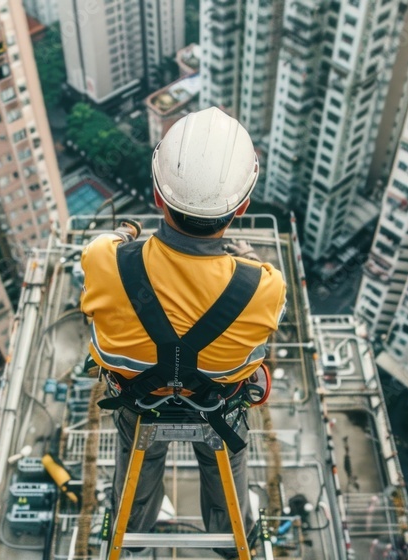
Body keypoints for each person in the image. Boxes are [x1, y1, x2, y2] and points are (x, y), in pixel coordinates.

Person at [79, 107, 287, 558]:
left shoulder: (104, 261)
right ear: (242, 207)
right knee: (225, 467)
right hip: (218, 407)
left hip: (140, 404)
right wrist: (245, 257)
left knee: (138, 463)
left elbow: (108, 245)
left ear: (158, 195)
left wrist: (127, 232)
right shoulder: (263, 287)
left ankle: (132, 537)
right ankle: (232, 541)